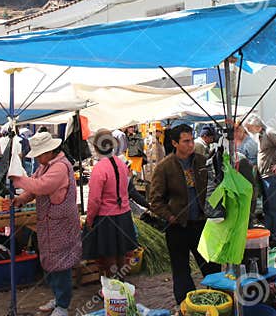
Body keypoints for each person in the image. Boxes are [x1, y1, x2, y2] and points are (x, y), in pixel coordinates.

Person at [149, 124, 220, 305]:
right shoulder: (164, 167)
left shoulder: (202, 161)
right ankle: (186, 305)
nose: (190, 144)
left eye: (191, 140)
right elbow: (155, 201)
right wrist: (170, 217)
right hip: (177, 227)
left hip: (202, 225)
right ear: (174, 143)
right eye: (186, 141)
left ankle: (220, 299)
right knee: (181, 270)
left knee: (211, 266)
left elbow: (214, 186)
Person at [12, 132, 81, 316]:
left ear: (50, 151)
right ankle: (58, 298)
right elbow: (35, 185)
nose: (38, 158)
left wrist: (18, 179)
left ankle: (63, 305)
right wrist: (22, 198)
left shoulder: (60, 167)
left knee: (61, 263)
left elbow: (42, 186)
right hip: (50, 223)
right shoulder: (45, 166)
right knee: (50, 261)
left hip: (61, 224)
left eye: (40, 154)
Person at [84, 129, 138, 280]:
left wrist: (89, 219)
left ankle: (112, 286)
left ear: (95, 147)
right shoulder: (121, 164)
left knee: (109, 255)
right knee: (121, 252)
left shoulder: (99, 169)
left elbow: (94, 199)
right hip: (123, 214)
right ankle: (121, 283)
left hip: (107, 218)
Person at [244, 114, 276, 248]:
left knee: (274, 207)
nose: (249, 130)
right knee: (268, 207)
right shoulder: (261, 135)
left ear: (255, 125)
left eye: (249, 127)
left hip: (272, 175)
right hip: (266, 176)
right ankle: (271, 236)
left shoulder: (269, 132)